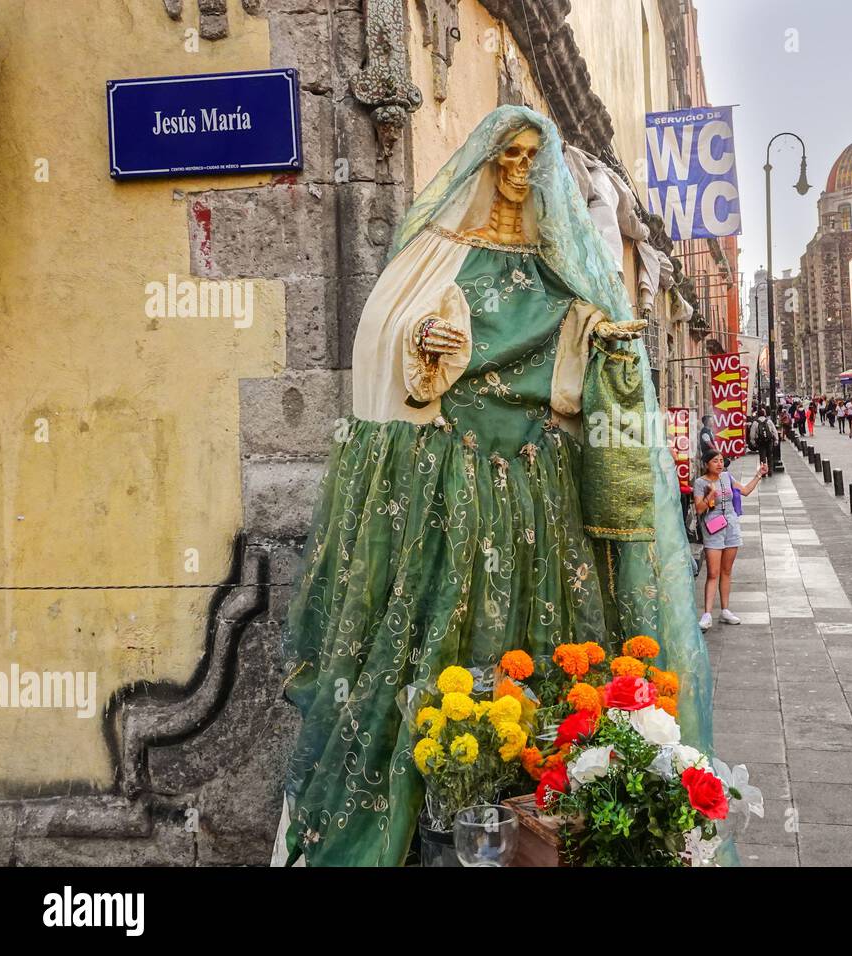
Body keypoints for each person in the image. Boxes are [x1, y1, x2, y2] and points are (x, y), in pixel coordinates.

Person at [277, 106, 712, 866]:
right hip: (454, 479)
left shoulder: (561, 263)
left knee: (555, 649)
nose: (519, 169)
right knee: (438, 631)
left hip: (545, 485)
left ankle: (552, 818)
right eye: (508, 154)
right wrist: (423, 340)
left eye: (532, 158)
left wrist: (602, 341)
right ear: (486, 162)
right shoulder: (437, 252)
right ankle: (448, 824)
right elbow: (386, 334)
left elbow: (583, 356)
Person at [694, 450, 767, 630]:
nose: (719, 464)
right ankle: (707, 614)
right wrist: (710, 496)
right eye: (715, 461)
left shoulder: (727, 476)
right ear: (706, 464)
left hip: (731, 526)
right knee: (713, 572)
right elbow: (699, 509)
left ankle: (725, 610)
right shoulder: (700, 482)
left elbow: (745, 491)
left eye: (721, 461)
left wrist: (759, 475)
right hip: (712, 528)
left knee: (727, 571)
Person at [750, 406, 779, 473]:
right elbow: (774, 431)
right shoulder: (769, 421)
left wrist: (753, 442)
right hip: (769, 441)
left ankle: (763, 471)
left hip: (760, 442)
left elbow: (752, 434)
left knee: (762, 457)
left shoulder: (755, 423)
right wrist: (776, 440)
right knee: (769, 456)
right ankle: (770, 471)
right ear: (764, 414)